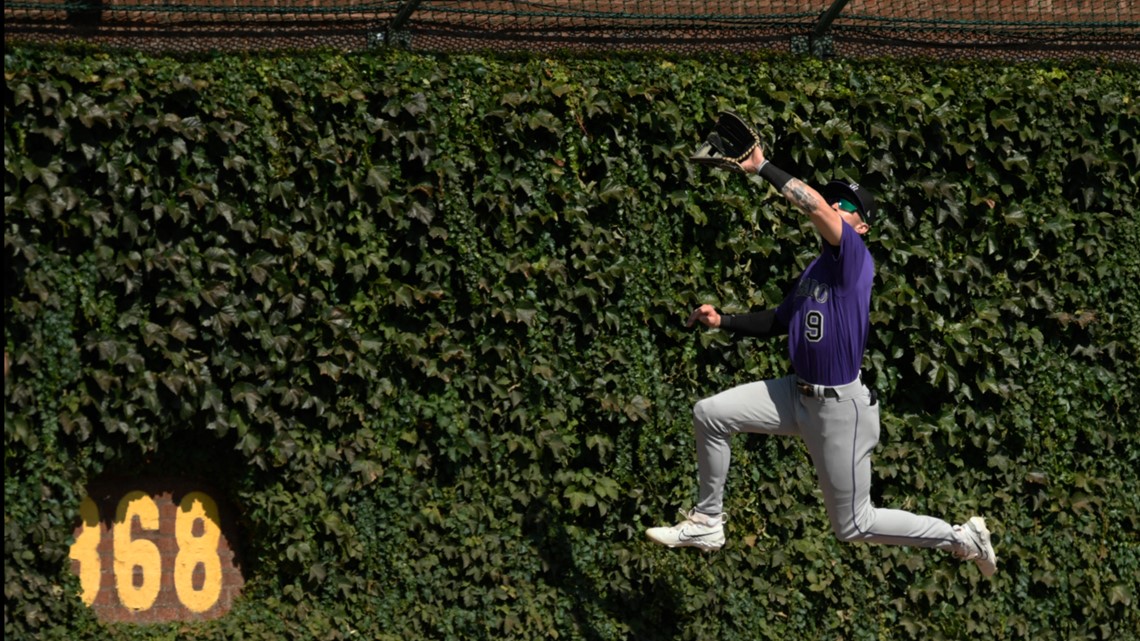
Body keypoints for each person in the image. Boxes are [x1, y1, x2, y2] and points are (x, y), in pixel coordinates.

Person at [646, 144, 997, 577]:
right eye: (833, 198)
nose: (835, 204)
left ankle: (961, 538)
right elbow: (780, 319)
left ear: (861, 226)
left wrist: (761, 167)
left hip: (839, 411)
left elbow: (812, 206)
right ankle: (706, 523)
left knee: (854, 525)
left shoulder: (854, 259)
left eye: (846, 205)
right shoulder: (815, 270)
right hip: (797, 395)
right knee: (711, 414)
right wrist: (724, 321)